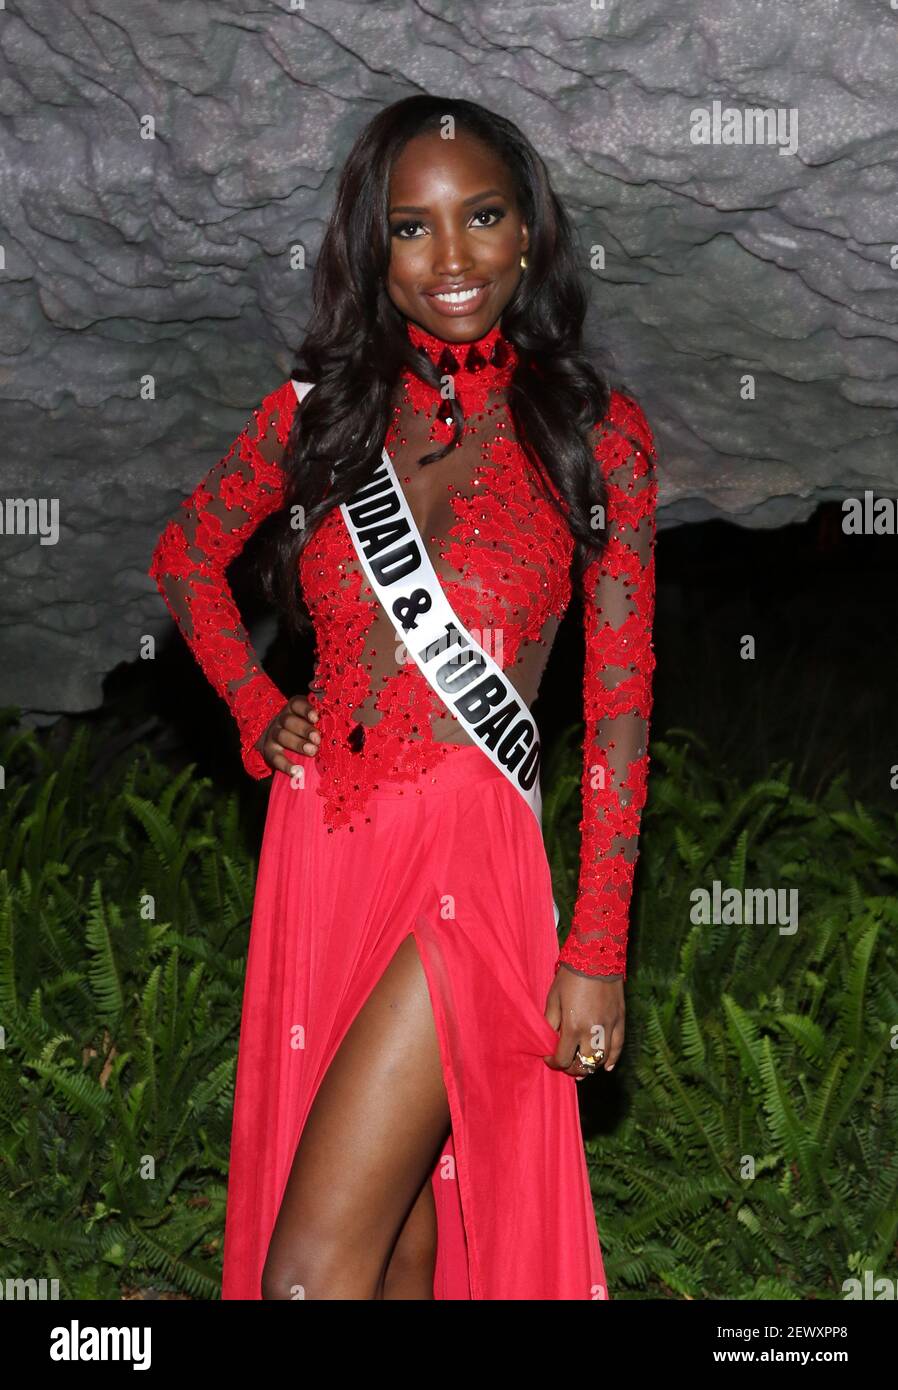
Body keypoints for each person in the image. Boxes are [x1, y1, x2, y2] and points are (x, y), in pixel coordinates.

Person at [147, 94, 657, 1301]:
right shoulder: (316, 416)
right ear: (371, 251)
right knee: (394, 1257)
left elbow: (621, 707)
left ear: (528, 231)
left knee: (307, 1272)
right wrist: (252, 703)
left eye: (481, 216)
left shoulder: (595, 435)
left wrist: (596, 945)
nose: (451, 257)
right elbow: (184, 555)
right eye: (410, 228)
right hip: (323, 850)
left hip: (469, 872)